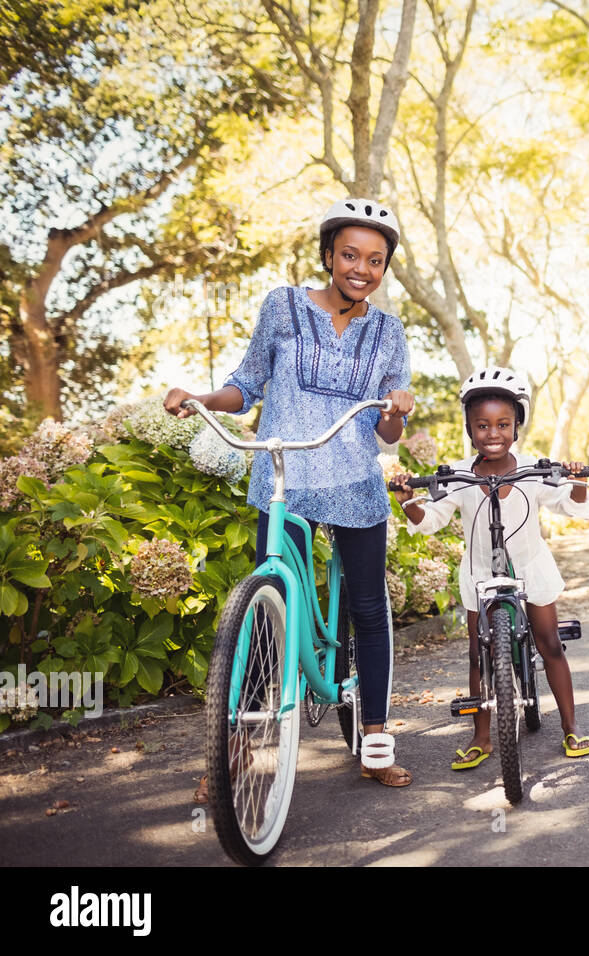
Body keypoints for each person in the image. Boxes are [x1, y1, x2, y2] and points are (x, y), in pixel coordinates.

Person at [166, 197, 415, 789]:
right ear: (328, 255)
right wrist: (201, 398)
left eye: (375, 260)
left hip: (355, 482)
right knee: (265, 613)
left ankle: (374, 738)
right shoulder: (282, 305)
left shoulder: (388, 331)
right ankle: (238, 754)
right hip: (286, 480)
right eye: (350, 254)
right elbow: (246, 385)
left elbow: (387, 431)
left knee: (367, 611)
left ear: (384, 269)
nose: (361, 267)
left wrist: (398, 409)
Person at [392, 367, 589, 767]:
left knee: (550, 644)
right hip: (479, 573)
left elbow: (572, 507)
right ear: (469, 429)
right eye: (482, 425)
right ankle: (481, 736)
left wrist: (576, 479)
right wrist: (408, 500)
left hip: (530, 570)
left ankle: (571, 726)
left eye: (503, 424)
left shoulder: (533, 471)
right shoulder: (460, 475)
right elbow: (430, 520)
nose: (493, 433)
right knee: (475, 653)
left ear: (517, 425)